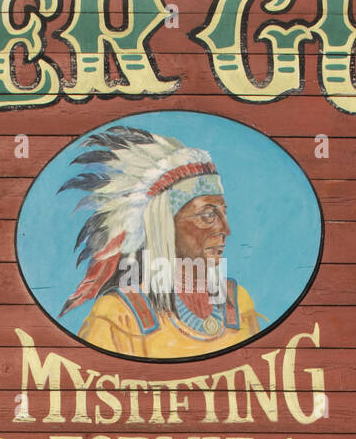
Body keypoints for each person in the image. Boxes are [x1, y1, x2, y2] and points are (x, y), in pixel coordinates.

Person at [58, 126, 260, 358]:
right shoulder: (118, 317)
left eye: (223, 214)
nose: (225, 230)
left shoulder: (239, 304)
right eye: (207, 215)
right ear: (165, 225)